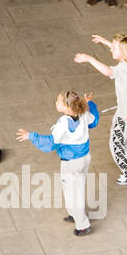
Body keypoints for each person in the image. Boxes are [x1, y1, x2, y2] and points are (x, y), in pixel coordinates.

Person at [18, 90, 101, 236]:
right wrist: (89, 104)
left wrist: (31, 136)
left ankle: (82, 224)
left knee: (73, 192)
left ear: (67, 106)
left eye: (58, 102)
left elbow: (51, 143)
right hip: (84, 158)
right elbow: (94, 121)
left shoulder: (63, 123)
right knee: (77, 187)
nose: (55, 103)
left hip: (70, 162)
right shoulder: (82, 114)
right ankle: (74, 214)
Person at [75, 33, 127, 185]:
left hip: (126, 111)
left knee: (116, 142)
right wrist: (106, 42)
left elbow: (107, 71)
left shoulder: (123, 69)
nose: (111, 50)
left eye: (114, 48)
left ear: (123, 52)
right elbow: (119, 48)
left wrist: (89, 58)